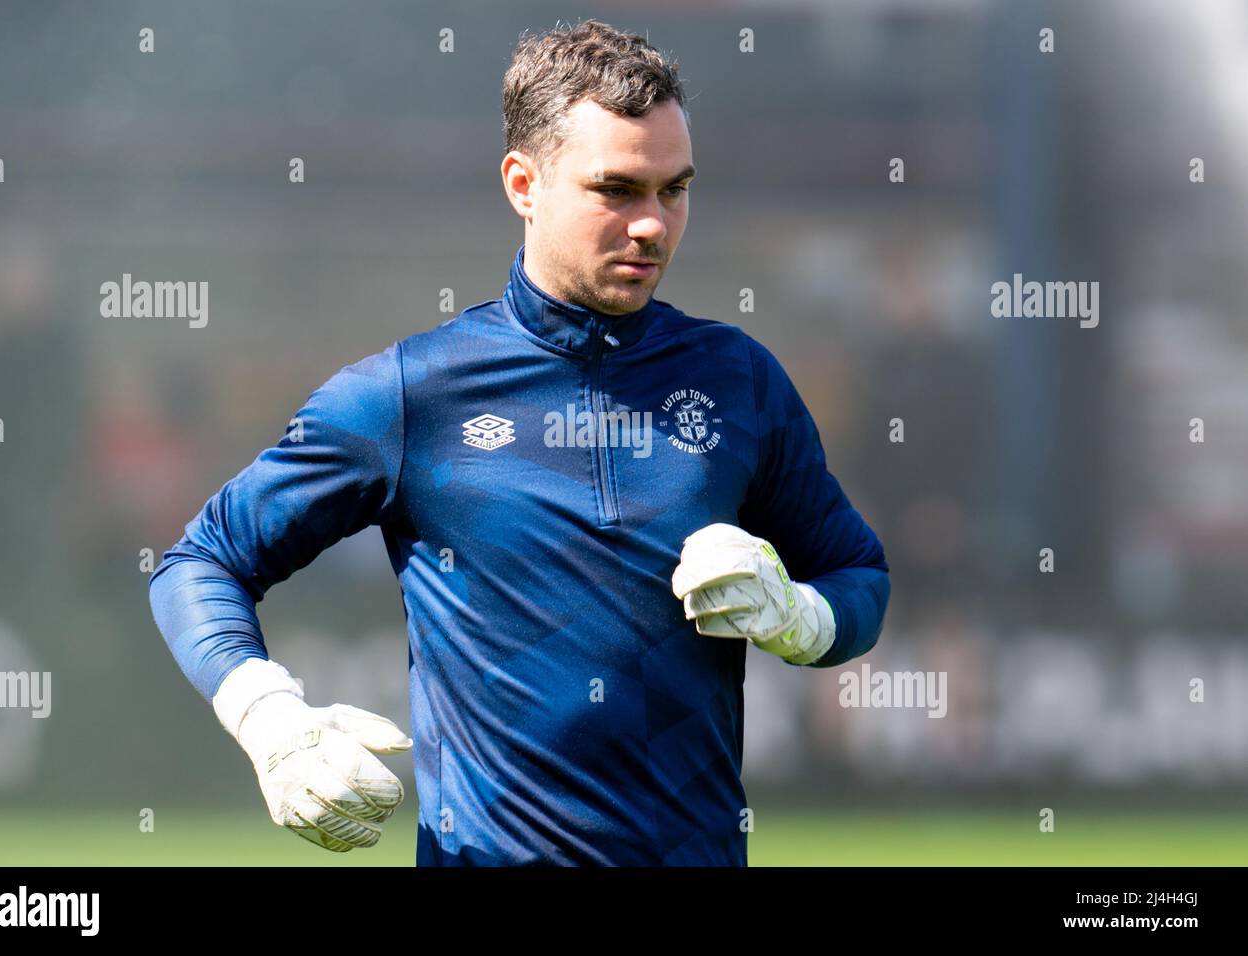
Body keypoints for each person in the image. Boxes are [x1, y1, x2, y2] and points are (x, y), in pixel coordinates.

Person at [148, 19, 890, 866]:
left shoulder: (740, 380)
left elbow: (859, 575)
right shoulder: (409, 395)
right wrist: (269, 719)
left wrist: (802, 616)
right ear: (522, 183)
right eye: (616, 190)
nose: (652, 225)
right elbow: (201, 562)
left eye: (674, 190)